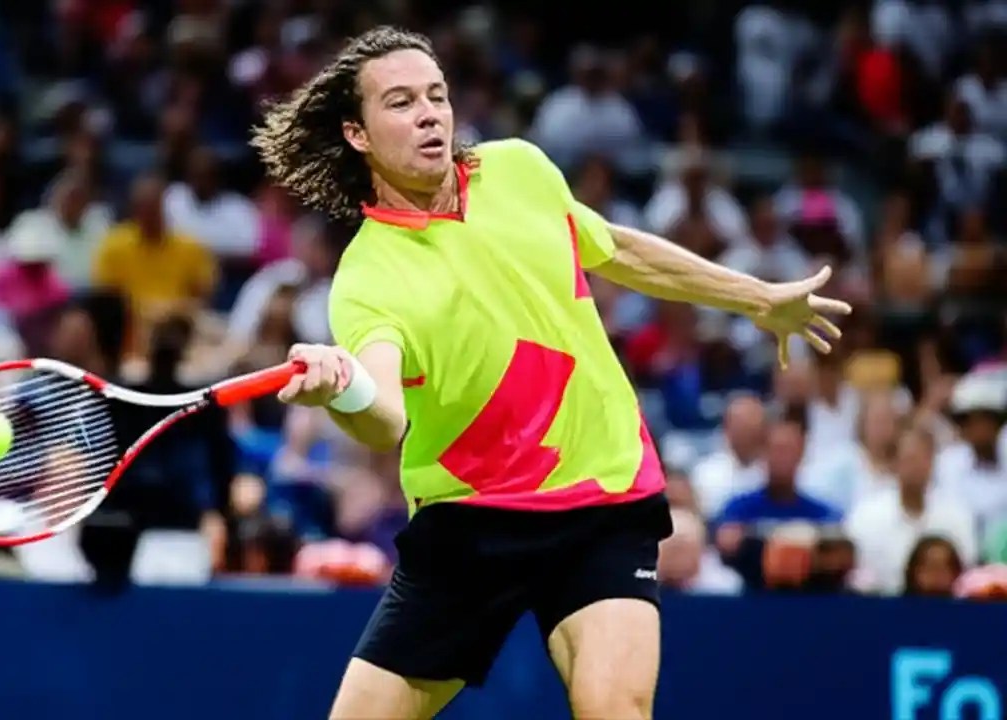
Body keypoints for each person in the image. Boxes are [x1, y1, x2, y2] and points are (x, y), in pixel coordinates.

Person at [252, 26, 851, 720]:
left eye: (437, 96)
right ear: (357, 134)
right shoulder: (368, 278)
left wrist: (756, 297)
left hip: (599, 496)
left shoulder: (520, 171)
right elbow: (384, 415)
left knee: (614, 709)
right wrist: (342, 387)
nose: (429, 115)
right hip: (470, 519)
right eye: (401, 102)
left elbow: (614, 246)